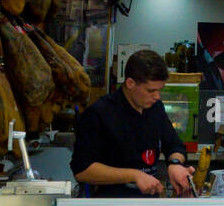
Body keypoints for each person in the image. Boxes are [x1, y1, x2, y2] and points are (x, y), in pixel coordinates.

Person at [71, 49, 194, 198]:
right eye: (151, 90)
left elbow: (174, 145)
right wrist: (134, 175)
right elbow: (82, 170)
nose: (157, 96)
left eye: (160, 90)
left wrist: (175, 164)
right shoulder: (99, 113)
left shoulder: (155, 108)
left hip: (149, 205)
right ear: (130, 83)